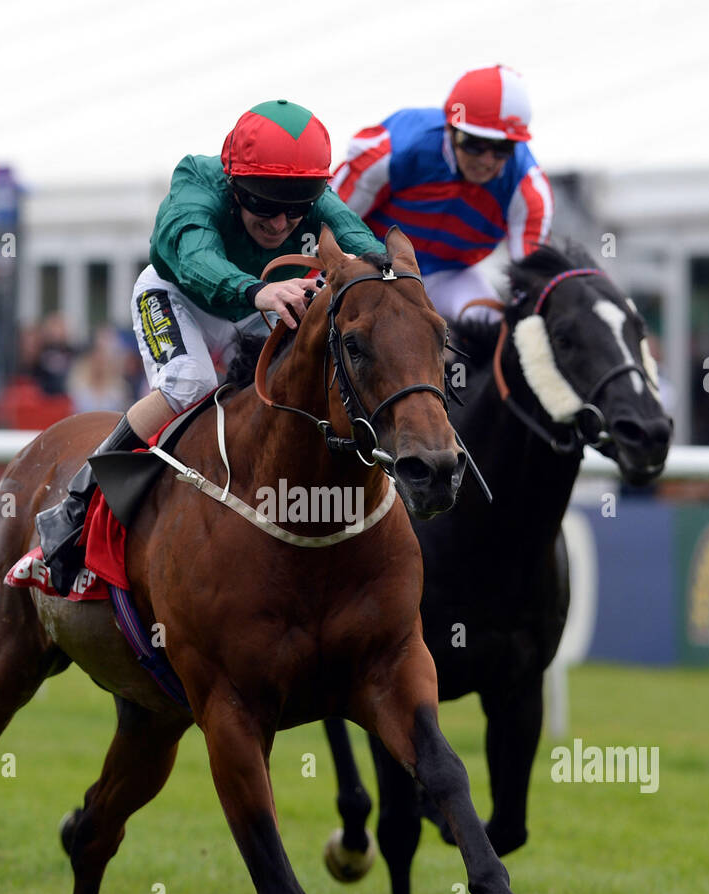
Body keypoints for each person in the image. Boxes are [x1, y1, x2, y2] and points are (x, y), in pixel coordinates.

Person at [35, 99, 386, 595]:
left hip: (256, 303)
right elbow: (198, 260)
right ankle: (75, 506)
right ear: (234, 183)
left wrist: (373, 272)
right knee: (189, 381)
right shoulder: (197, 183)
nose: (281, 222)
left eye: (296, 206)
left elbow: (366, 247)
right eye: (263, 203)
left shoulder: (314, 202)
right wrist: (257, 291)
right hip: (178, 294)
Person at [329, 64, 553, 320]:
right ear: (450, 128)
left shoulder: (528, 188)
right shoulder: (394, 148)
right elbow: (331, 221)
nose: (488, 161)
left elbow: (532, 282)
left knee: (492, 325)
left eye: (503, 148)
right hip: (372, 261)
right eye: (475, 144)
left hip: (449, 275)